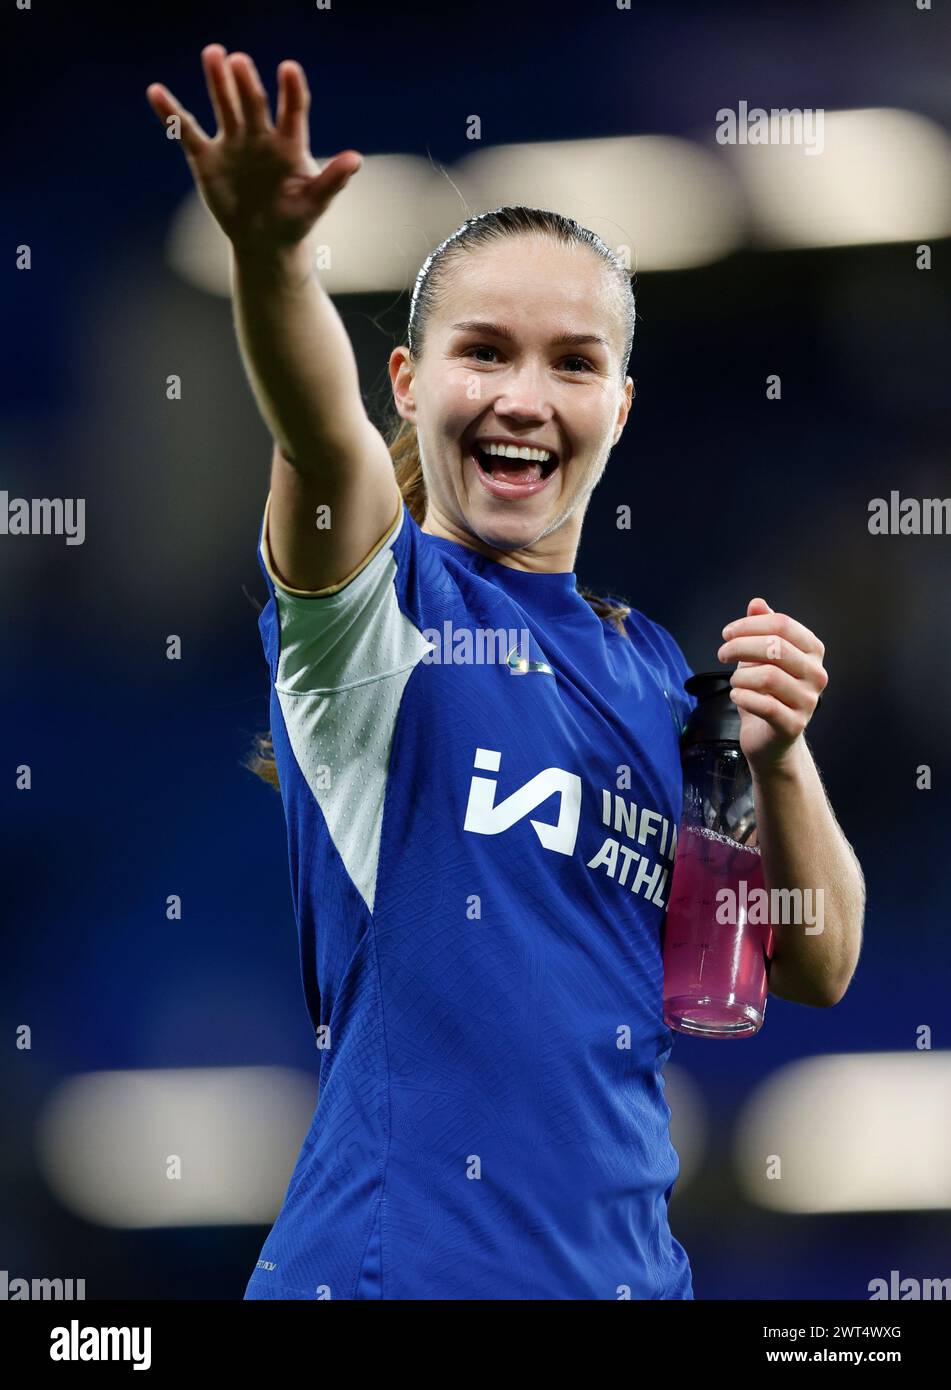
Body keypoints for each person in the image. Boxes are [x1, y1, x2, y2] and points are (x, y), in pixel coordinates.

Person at [146, 44, 863, 1301]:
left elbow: (803, 964)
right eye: (484, 352)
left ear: (621, 409)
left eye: (573, 363)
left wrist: (784, 756)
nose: (525, 398)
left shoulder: (669, 690)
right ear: (411, 386)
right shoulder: (379, 623)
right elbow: (318, 437)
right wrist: (273, 263)